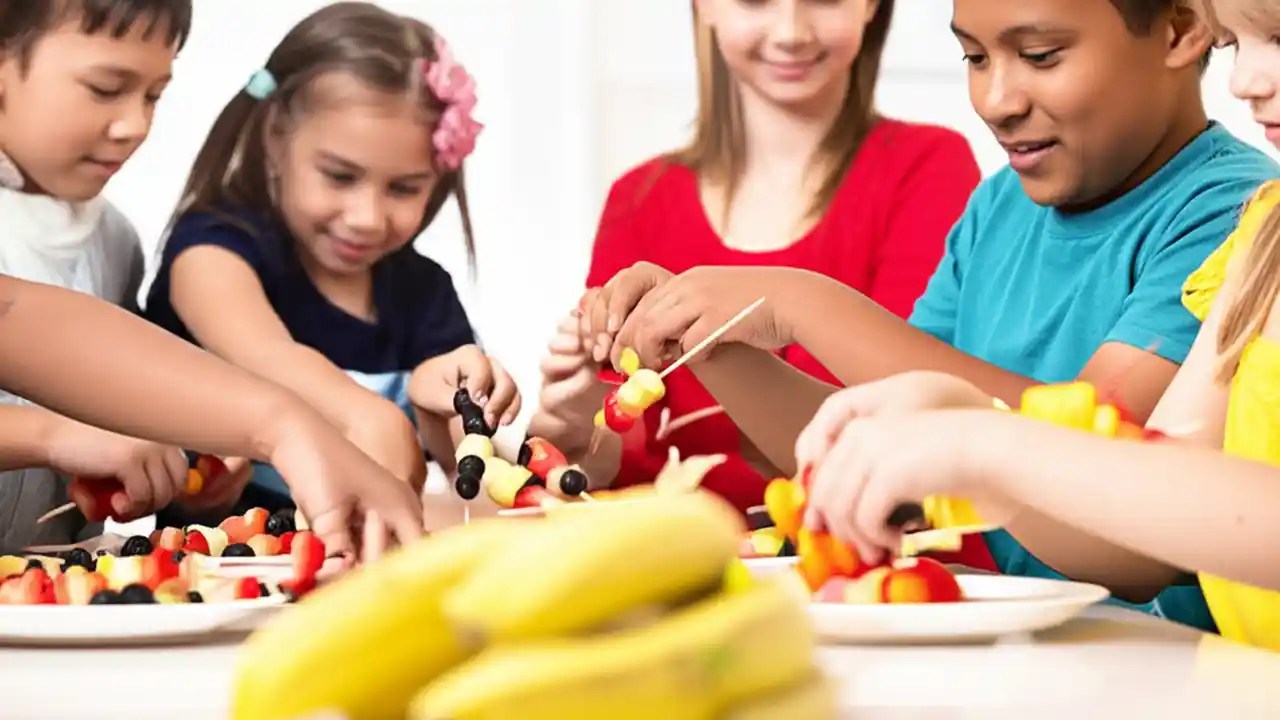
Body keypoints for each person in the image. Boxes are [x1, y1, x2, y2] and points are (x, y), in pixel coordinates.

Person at [580, 0, 1280, 628]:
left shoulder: (1225, 211)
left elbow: (1102, 458)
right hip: (1032, 652)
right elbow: (889, 444)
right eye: (974, 57)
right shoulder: (1000, 208)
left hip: (1159, 659)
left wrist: (804, 303)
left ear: (1184, 28)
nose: (996, 99)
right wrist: (711, 338)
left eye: (1040, 56)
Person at [792, 0, 1280, 651]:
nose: (1245, 79)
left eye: (1277, 37)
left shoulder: (1218, 204)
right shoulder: (1261, 241)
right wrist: (967, 415)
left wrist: (987, 444)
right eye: (1238, 44)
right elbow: (1141, 541)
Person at [0, 0, 422, 560]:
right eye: (104, 88)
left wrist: (186, 456)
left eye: (154, 95)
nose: (135, 126)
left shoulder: (115, 241)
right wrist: (51, 438)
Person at [530, 0, 980, 517]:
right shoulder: (637, 199)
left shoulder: (927, 170)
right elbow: (604, 467)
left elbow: (906, 438)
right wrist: (576, 423)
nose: (790, 32)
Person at [143, 2, 519, 514]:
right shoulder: (213, 251)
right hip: (201, 569)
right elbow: (268, 356)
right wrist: (373, 417)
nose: (367, 217)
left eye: (404, 188)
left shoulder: (422, 291)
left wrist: (451, 409)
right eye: (340, 176)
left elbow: (465, 469)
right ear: (276, 138)